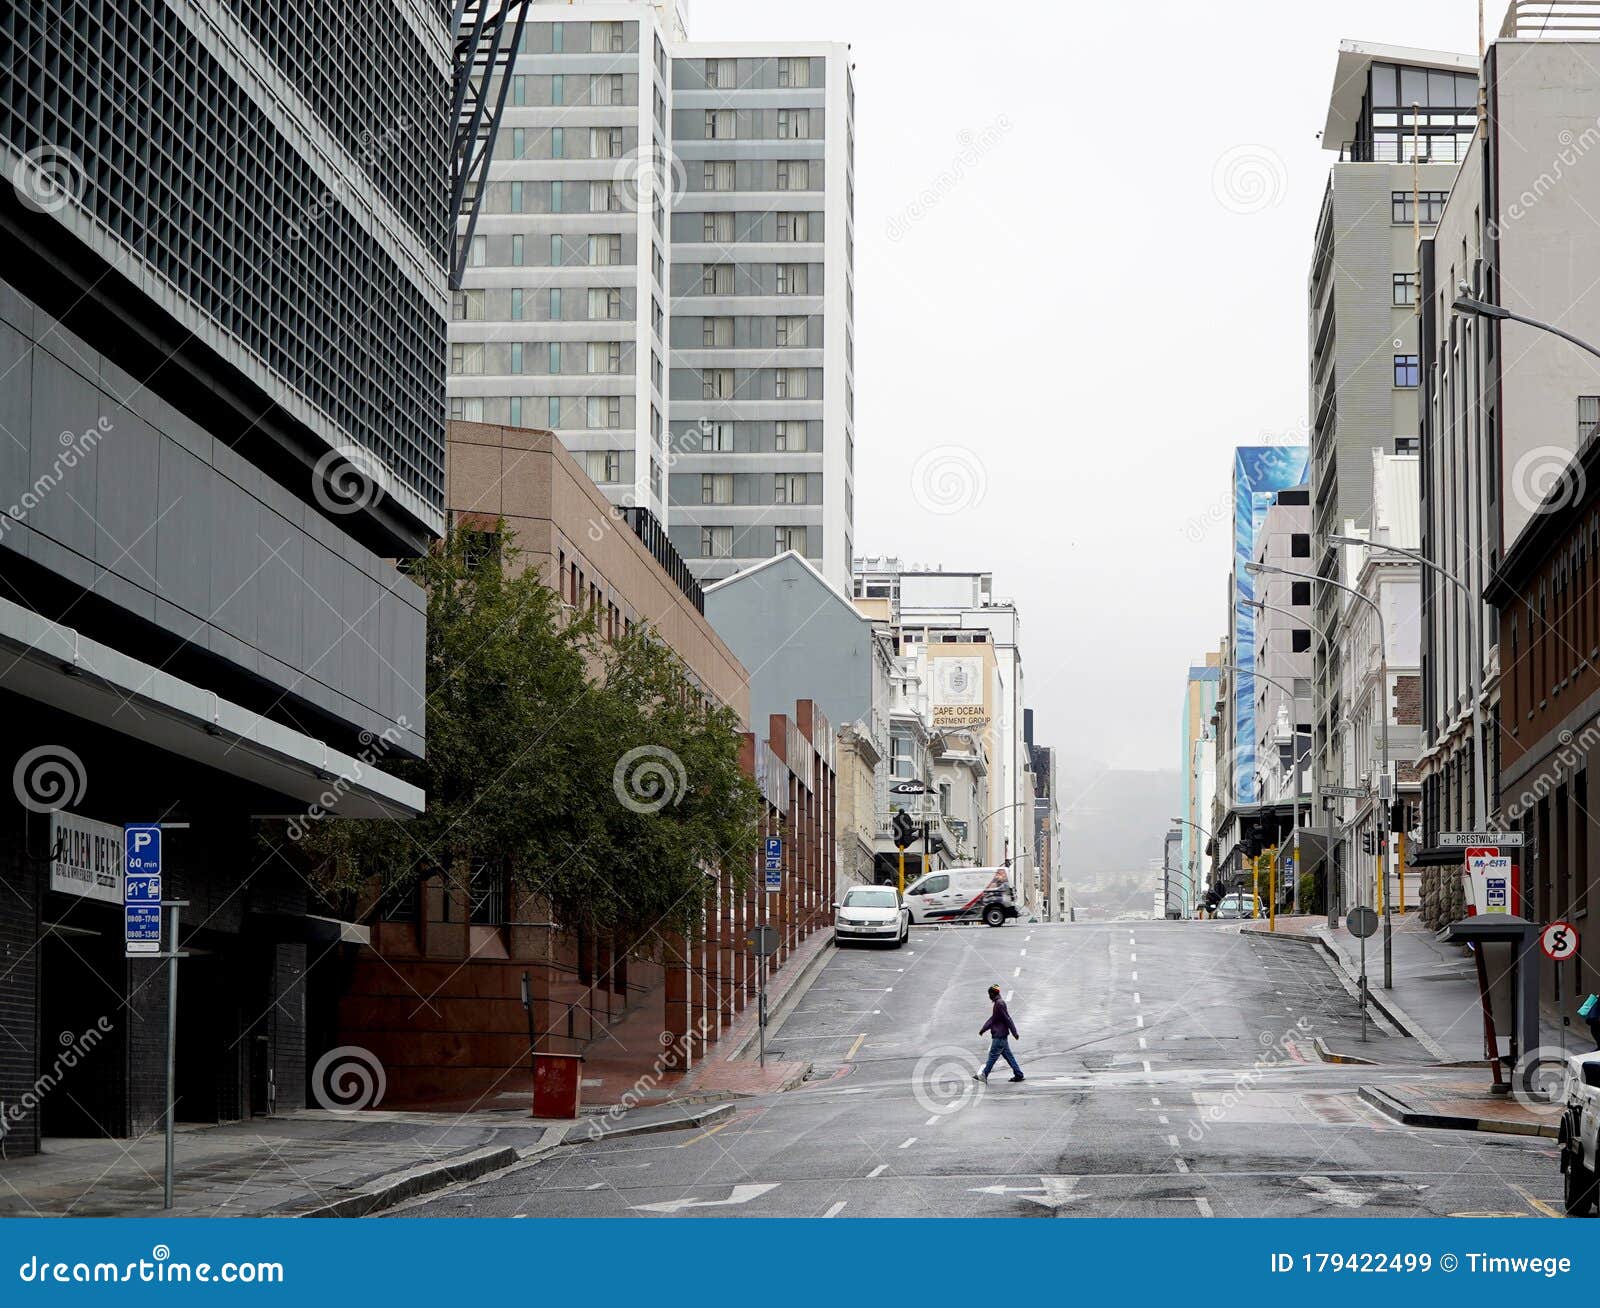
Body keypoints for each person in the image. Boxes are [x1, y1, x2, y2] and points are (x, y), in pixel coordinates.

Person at [974, 983, 1024, 1083]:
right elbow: (994, 1019)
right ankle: (1018, 1074)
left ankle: (984, 1075)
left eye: (989, 994)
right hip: (1002, 1036)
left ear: (993, 993)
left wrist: (1015, 1033)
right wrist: (983, 1029)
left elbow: (1007, 1019)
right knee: (1009, 1057)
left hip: (999, 1036)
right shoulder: (998, 1003)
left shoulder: (999, 1004)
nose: (989, 996)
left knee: (992, 1056)